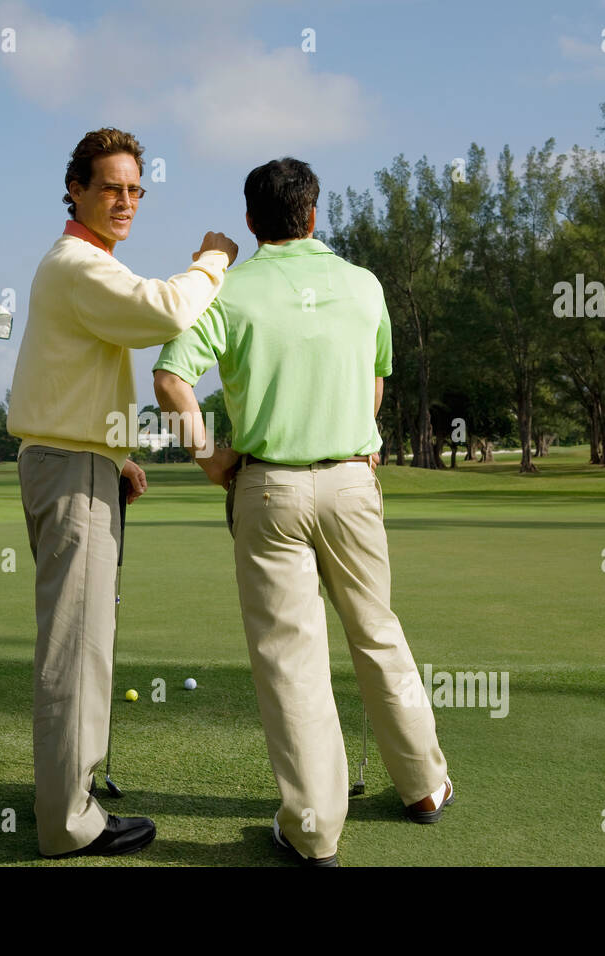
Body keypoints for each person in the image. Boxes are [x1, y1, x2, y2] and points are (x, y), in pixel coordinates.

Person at [153, 157, 452, 867]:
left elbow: (170, 380)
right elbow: (376, 380)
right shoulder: (364, 284)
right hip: (353, 481)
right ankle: (424, 787)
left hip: (269, 488)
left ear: (252, 221)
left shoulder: (228, 291)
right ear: (313, 215)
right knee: (378, 632)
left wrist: (208, 459)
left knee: (292, 659)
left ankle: (315, 831)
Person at [7, 127, 238, 858]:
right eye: (111, 187)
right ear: (74, 189)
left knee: (83, 642)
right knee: (76, 650)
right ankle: (68, 824)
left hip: (83, 462)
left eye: (136, 189)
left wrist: (116, 457)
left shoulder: (87, 264)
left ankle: (67, 788)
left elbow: (84, 378)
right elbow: (168, 310)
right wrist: (215, 258)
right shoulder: (78, 264)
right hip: (68, 470)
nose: (126, 200)